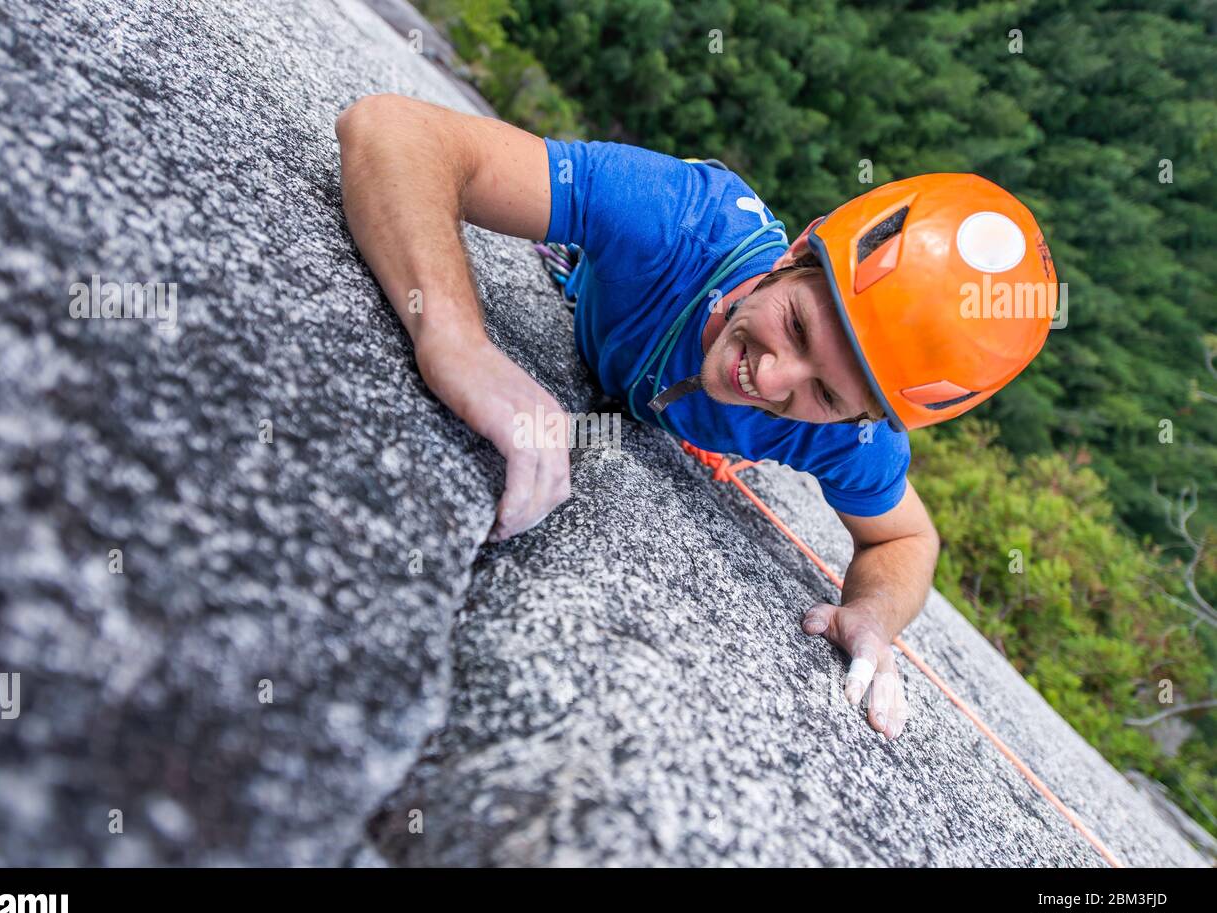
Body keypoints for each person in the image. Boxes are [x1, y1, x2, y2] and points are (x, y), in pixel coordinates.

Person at [336, 94, 1058, 742]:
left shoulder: (843, 432)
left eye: (828, 394)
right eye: (798, 326)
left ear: (862, 414)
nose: (771, 377)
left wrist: (872, 612)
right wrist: (456, 338)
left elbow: (905, 536)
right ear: (798, 254)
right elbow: (391, 131)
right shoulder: (680, 217)